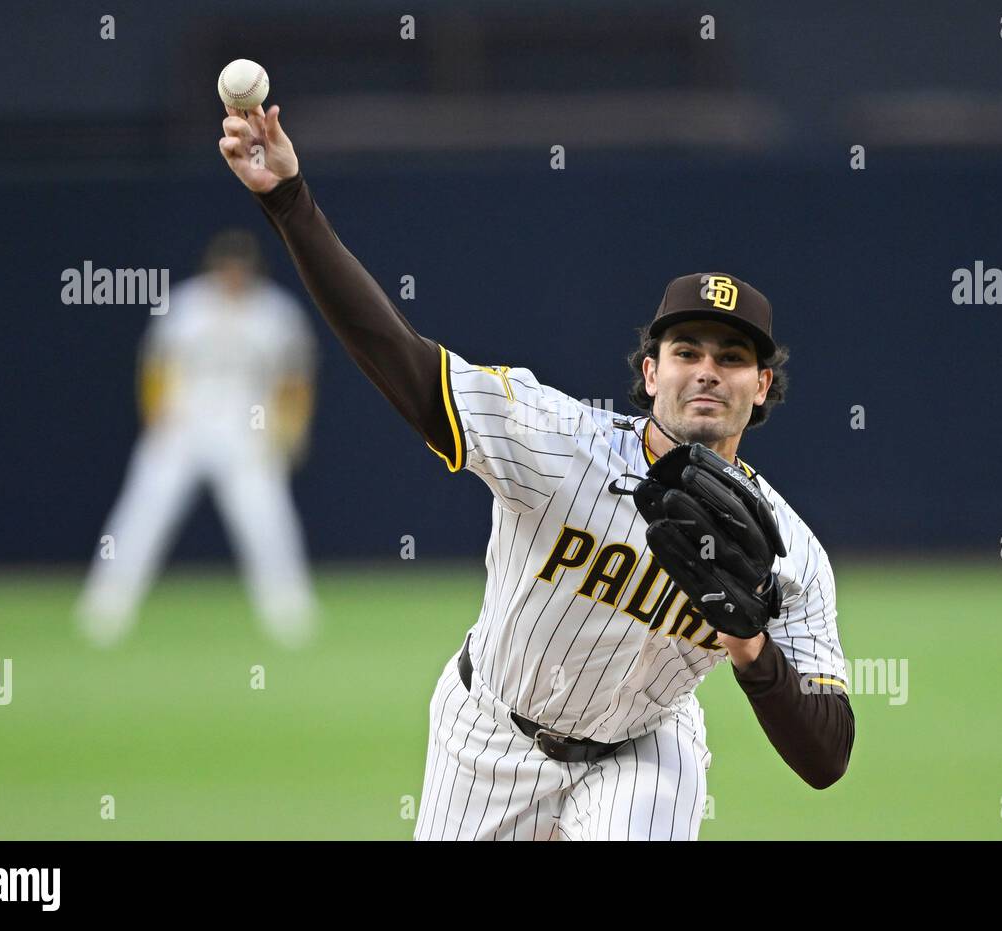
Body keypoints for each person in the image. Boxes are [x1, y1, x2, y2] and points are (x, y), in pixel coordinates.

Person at [219, 102, 854, 840]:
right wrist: (288, 200)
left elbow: (827, 755)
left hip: (643, 751)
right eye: (687, 353)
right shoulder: (560, 441)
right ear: (651, 373)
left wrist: (749, 645)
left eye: (733, 358)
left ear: (762, 386)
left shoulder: (788, 552)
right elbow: (406, 364)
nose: (707, 372)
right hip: (489, 731)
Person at [77, 229, 318, 649]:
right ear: (215, 267)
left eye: (241, 268)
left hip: (248, 425)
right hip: (185, 421)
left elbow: (294, 380)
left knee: (265, 518)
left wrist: (291, 428)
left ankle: (288, 610)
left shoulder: (275, 313)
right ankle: (106, 606)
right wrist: (157, 417)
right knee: (142, 512)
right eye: (227, 267)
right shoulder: (187, 305)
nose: (233, 275)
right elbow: (155, 366)